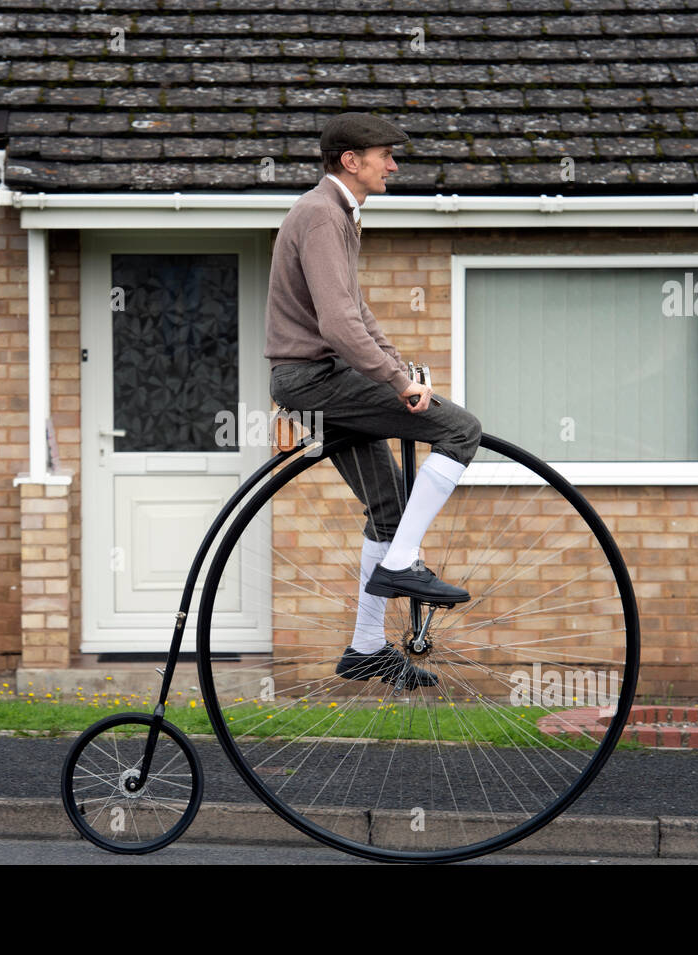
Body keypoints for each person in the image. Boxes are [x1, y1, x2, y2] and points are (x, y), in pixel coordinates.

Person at [264, 112, 483, 688]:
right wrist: (392, 379)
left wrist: (401, 372)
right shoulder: (320, 216)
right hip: (316, 379)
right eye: (385, 154)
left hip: (320, 379)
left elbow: (357, 315)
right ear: (349, 161)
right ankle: (400, 564)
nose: (393, 164)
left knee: (388, 508)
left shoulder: (335, 215)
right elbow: (337, 325)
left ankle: (366, 648)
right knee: (461, 430)